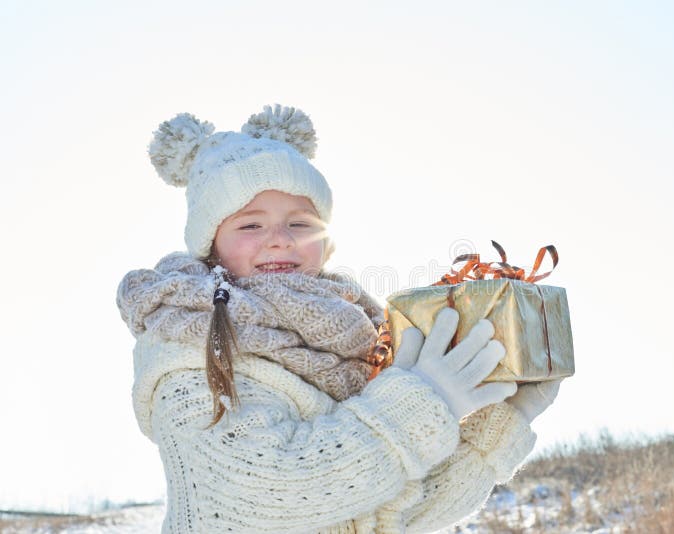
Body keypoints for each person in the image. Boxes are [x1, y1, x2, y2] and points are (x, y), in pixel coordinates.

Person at [117, 104, 561, 533]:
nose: (280, 240)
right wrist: (426, 401)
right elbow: (272, 491)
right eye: (250, 225)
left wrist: (502, 422)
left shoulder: (353, 340)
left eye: (300, 223)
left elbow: (392, 513)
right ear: (210, 245)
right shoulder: (184, 344)